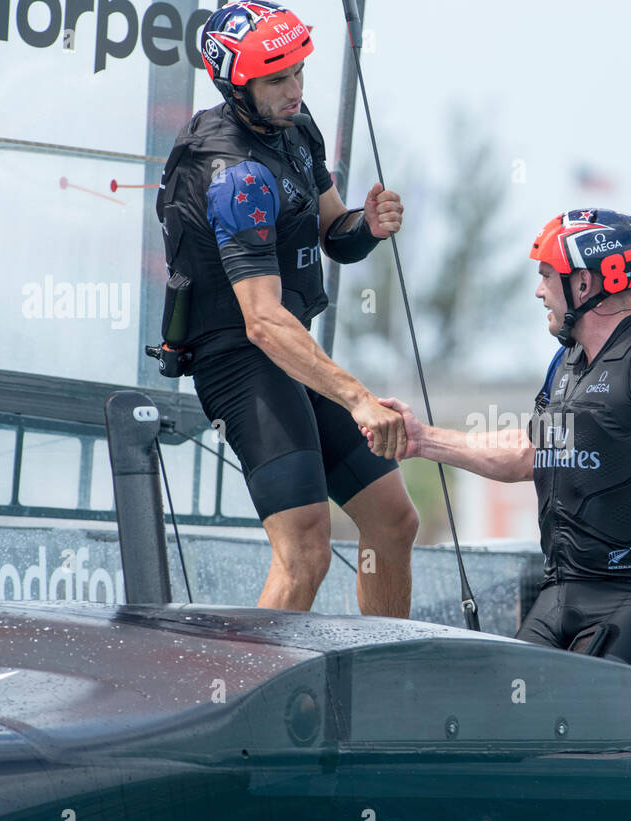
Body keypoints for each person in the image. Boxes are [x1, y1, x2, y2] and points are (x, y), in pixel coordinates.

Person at [374, 209, 631, 674]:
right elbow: (529, 453)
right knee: (500, 701)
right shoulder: (565, 364)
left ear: (585, 285)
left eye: (547, 275)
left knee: (569, 707)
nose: (538, 290)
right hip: (563, 590)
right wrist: (423, 440)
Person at [155, 1, 417, 614]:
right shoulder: (233, 170)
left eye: (299, 71)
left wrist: (367, 225)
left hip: (291, 351)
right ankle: (253, 701)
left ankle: (378, 688)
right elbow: (263, 323)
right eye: (277, 80)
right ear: (234, 83)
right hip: (241, 358)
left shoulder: (294, 128)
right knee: (305, 549)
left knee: (393, 521)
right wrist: (357, 397)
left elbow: (333, 231)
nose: (295, 89)